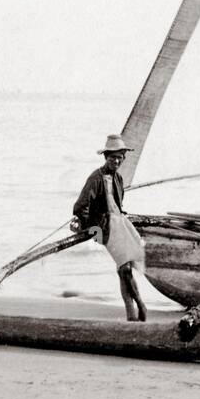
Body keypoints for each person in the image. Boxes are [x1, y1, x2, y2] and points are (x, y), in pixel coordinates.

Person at [72, 134, 148, 321]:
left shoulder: (118, 178)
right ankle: (140, 304)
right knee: (125, 268)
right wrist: (93, 228)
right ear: (106, 157)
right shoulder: (96, 178)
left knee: (127, 266)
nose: (116, 160)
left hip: (117, 222)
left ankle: (131, 314)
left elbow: (116, 204)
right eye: (112, 157)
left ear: (123, 158)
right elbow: (80, 207)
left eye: (119, 157)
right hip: (104, 228)